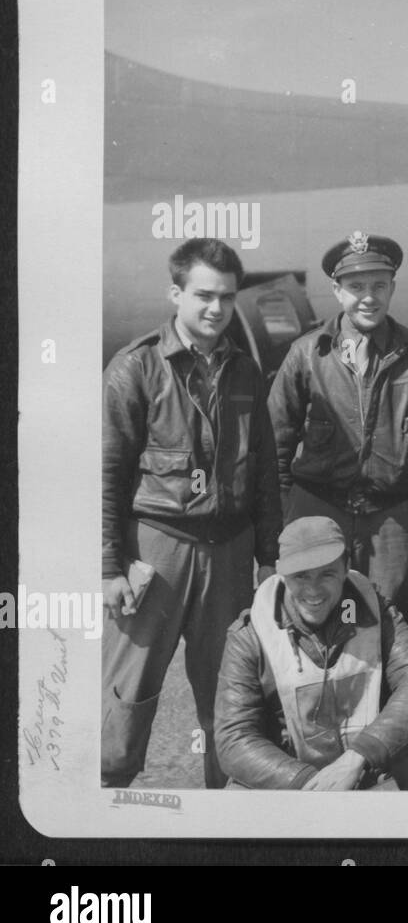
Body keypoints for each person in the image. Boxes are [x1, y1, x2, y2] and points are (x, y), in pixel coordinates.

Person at [101, 238, 283, 789]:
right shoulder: (135, 368)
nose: (216, 309)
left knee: (228, 695)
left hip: (228, 554)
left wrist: (269, 560)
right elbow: (107, 473)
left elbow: (265, 476)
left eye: (227, 298)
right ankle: (105, 797)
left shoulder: (246, 372)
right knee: (128, 695)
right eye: (203, 295)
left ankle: (218, 811)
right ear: (175, 293)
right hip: (157, 552)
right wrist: (109, 568)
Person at [268, 231, 408, 626]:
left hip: (389, 518)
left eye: (379, 286)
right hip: (317, 508)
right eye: (356, 286)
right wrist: (292, 512)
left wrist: (397, 492)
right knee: (307, 619)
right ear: (336, 290)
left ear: (392, 288)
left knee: (387, 623)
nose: (369, 296)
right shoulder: (307, 354)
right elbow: (273, 444)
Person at [214, 516, 408, 790]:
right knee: (235, 796)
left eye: (327, 574)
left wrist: (357, 759)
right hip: (291, 778)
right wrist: (311, 783)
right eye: (300, 576)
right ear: (280, 572)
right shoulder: (250, 634)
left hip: (366, 767)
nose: (313, 590)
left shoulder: (376, 611)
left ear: (347, 567)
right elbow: (234, 737)